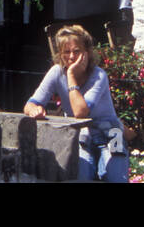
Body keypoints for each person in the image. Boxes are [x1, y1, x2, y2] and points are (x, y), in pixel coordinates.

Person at [24, 24, 128, 183]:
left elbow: (81, 112)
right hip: (83, 136)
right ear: (60, 54)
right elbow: (31, 103)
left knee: (116, 179)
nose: (71, 57)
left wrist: (71, 75)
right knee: (80, 178)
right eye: (66, 52)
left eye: (77, 51)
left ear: (86, 53)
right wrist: (34, 109)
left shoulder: (98, 75)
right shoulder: (56, 73)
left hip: (112, 134)